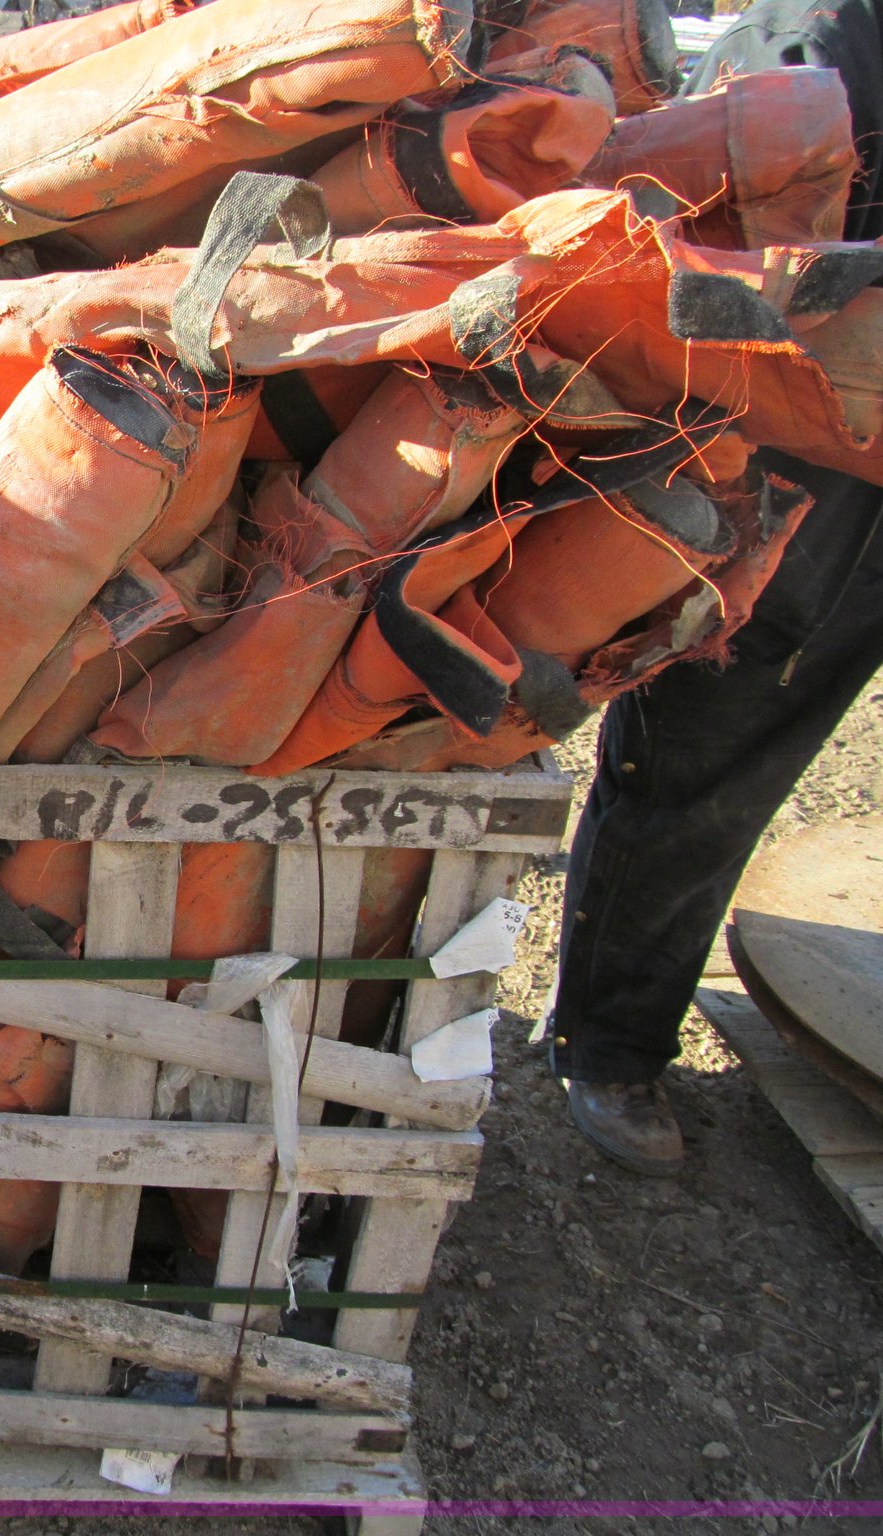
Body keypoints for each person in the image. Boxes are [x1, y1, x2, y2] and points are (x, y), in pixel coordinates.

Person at [551, 0, 883, 1175]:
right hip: (810, 439)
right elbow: (745, 247)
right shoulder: (831, 45)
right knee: (707, 752)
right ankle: (609, 1042)